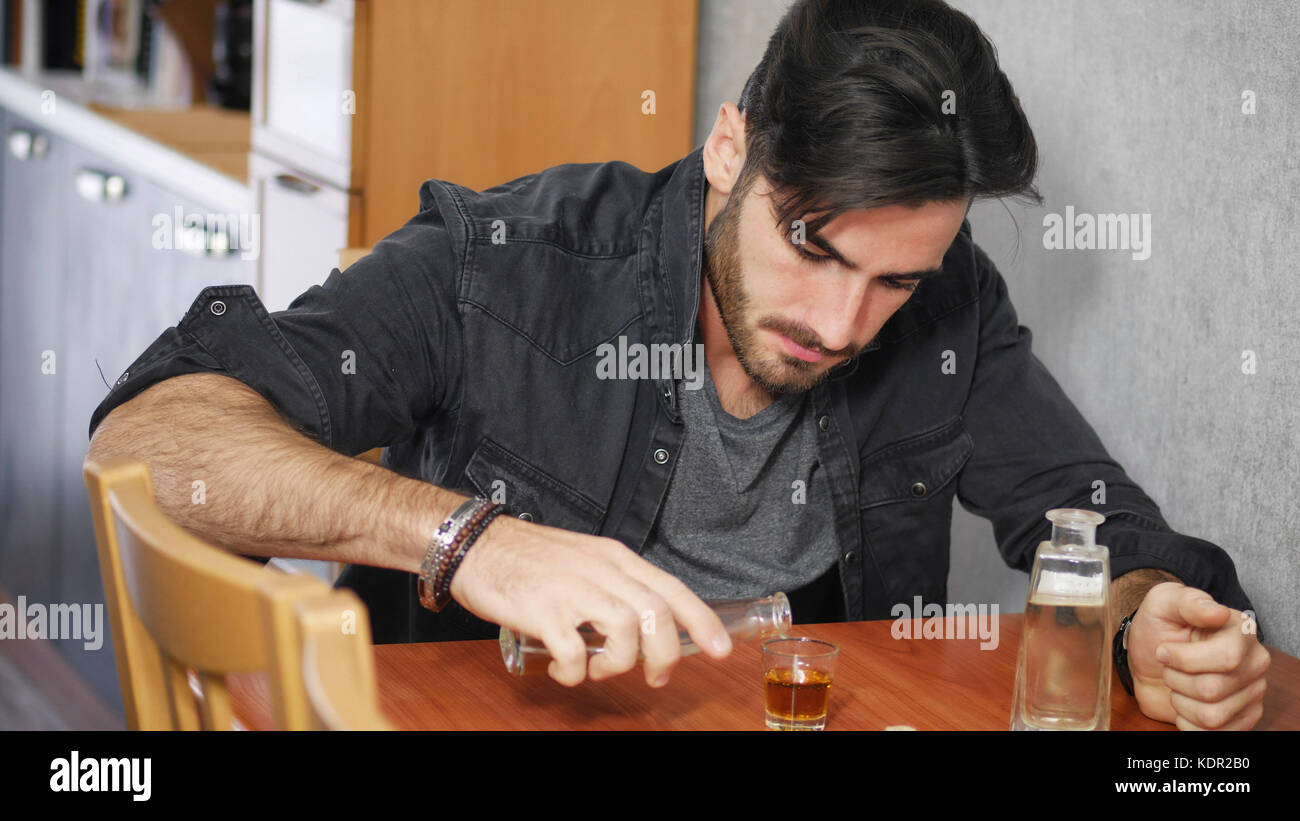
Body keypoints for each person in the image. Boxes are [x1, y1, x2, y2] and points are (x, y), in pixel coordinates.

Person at [85, 0, 1268, 728]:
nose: (845, 321)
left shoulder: (944, 305)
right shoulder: (505, 265)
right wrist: (469, 538)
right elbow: (151, 438)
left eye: (894, 279)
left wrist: (1152, 610)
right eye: (811, 243)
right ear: (728, 147)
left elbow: (1095, 519)